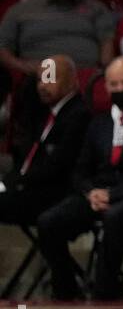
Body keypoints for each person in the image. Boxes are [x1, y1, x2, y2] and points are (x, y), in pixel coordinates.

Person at [36, 56, 123, 300]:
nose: (120, 89)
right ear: (106, 87)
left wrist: (114, 195)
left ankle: (106, 291)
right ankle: (67, 289)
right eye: (114, 84)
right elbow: (80, 169)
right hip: (96, 194)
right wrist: (90, 192)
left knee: (116, 216)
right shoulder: (97, 123)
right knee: (48, 222)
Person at [0, 56, 90, 229]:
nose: (42, 85)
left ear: (72, 81)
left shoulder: (79, 115)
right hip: (29, 186)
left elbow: (57, 165)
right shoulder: (44, 113)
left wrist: (15, 182)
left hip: (54, 193)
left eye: (51, 78)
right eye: (40, 79)